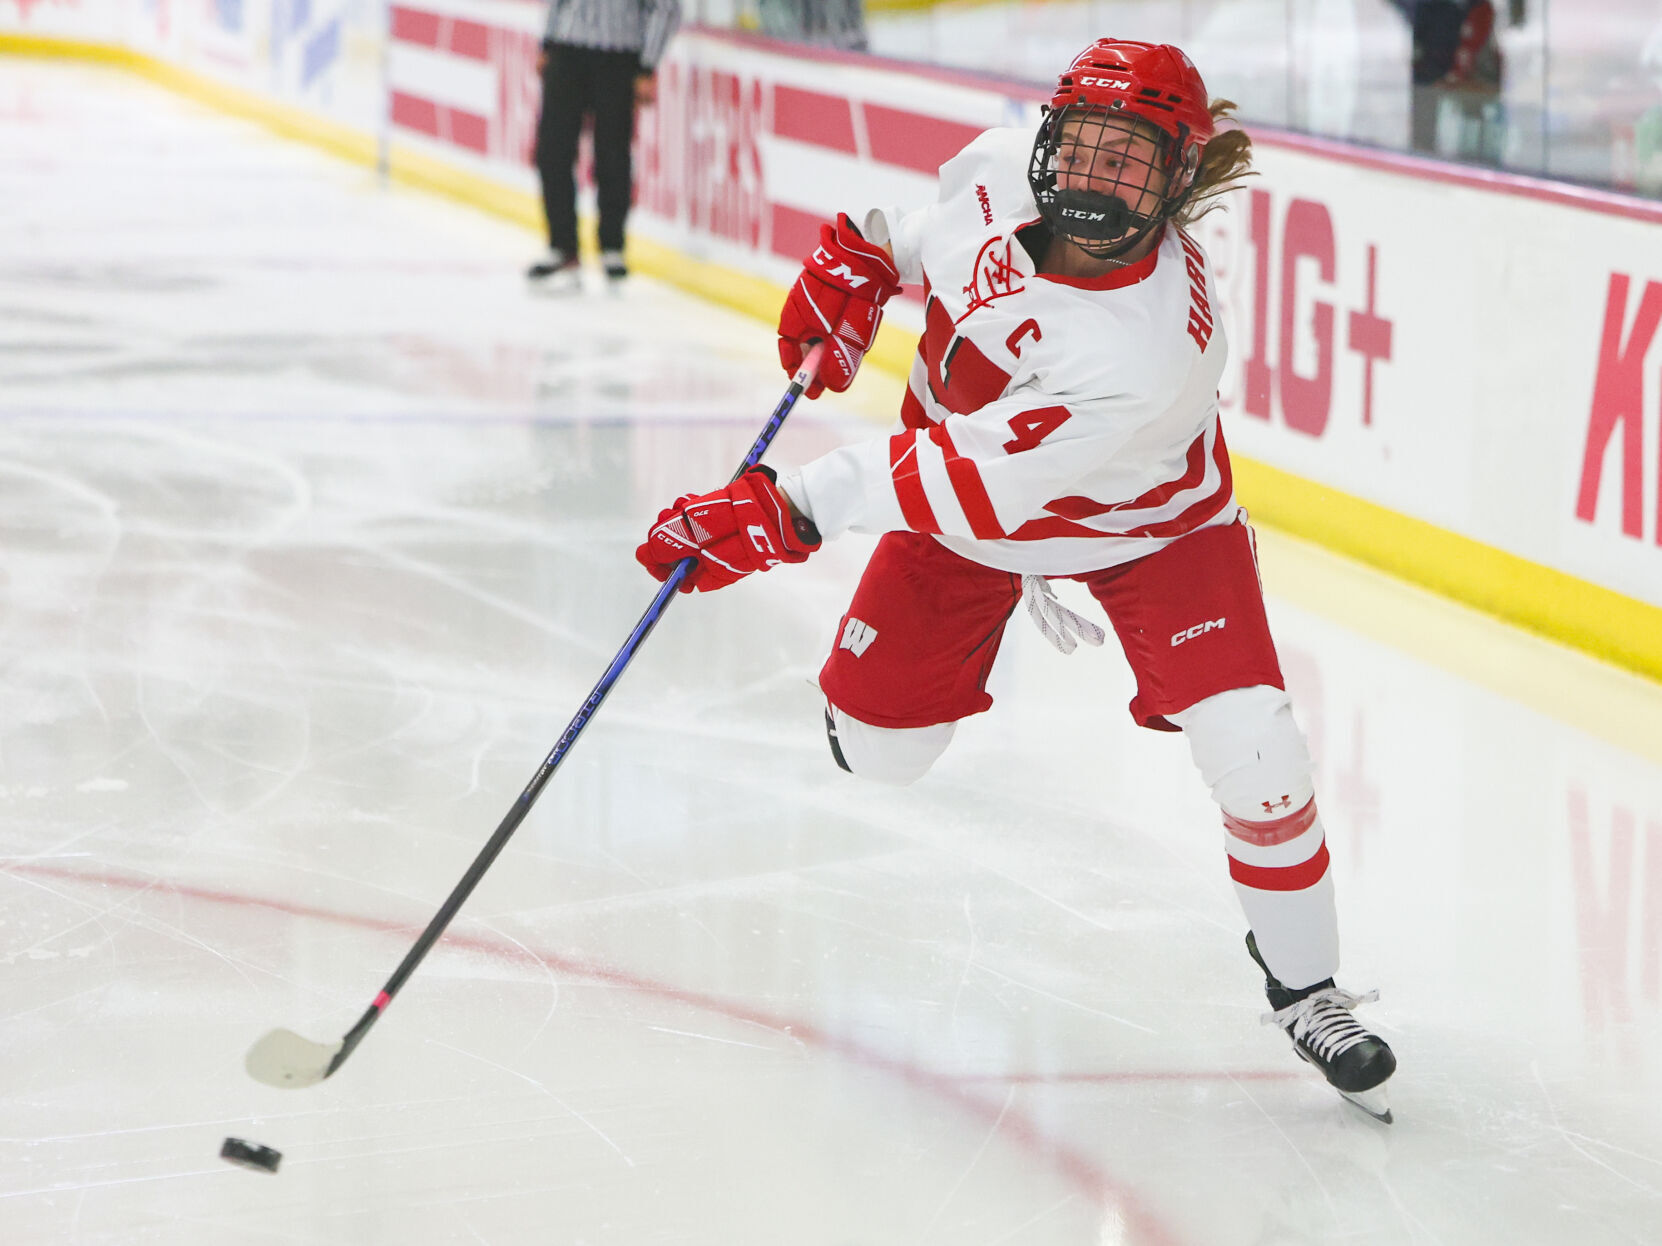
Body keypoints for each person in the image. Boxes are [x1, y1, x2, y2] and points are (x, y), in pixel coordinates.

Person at [635, 39, 1398, 1120]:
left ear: (1177, 182)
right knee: (882, 754)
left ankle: (1307, 986)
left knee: (1259, 749)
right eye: (1080, 145)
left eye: (1129, 162)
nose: (1095, 177)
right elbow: (924, 240)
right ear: (1046, 136)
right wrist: (861, 259)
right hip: (974, 510)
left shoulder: (1147, 353)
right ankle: (880, 701)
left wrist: (788, 510)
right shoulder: (993, 167)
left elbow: (959, 483)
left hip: (1147, 530)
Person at [527, 0, 681, 289]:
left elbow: (666, 8)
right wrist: (547, 43)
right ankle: (563, 246)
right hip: (567, 49)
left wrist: (647, 65)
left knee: (612, 154)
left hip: (618, 57)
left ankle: (612, 247)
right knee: (552, 151)